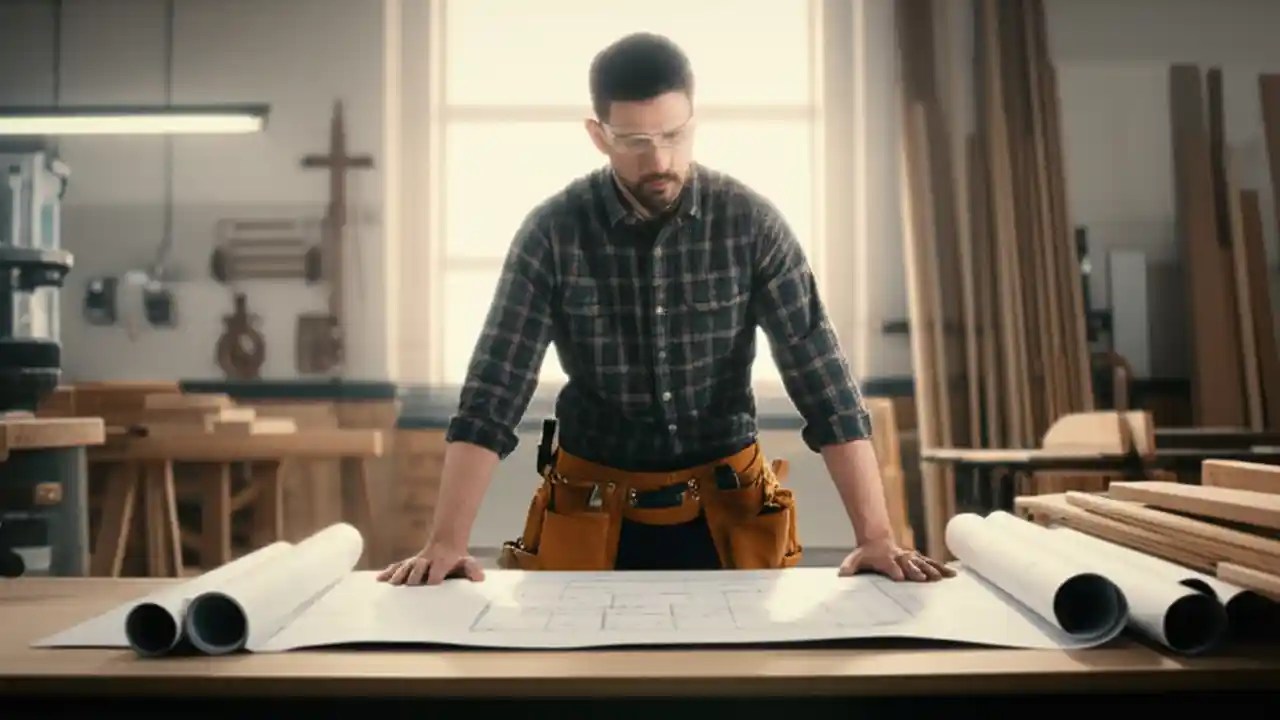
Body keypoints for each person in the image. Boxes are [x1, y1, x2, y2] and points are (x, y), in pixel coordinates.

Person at [379, 32, 954, 587]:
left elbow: (825, 385)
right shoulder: (552, 234)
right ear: (598, 135)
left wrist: (876, 535)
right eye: (634, 142)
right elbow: (492, 393)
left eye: (674, 135)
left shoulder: (750, 225)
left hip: (731, 514)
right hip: (590, 514)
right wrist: (448, 542)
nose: (659, 158)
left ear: (694, 123)